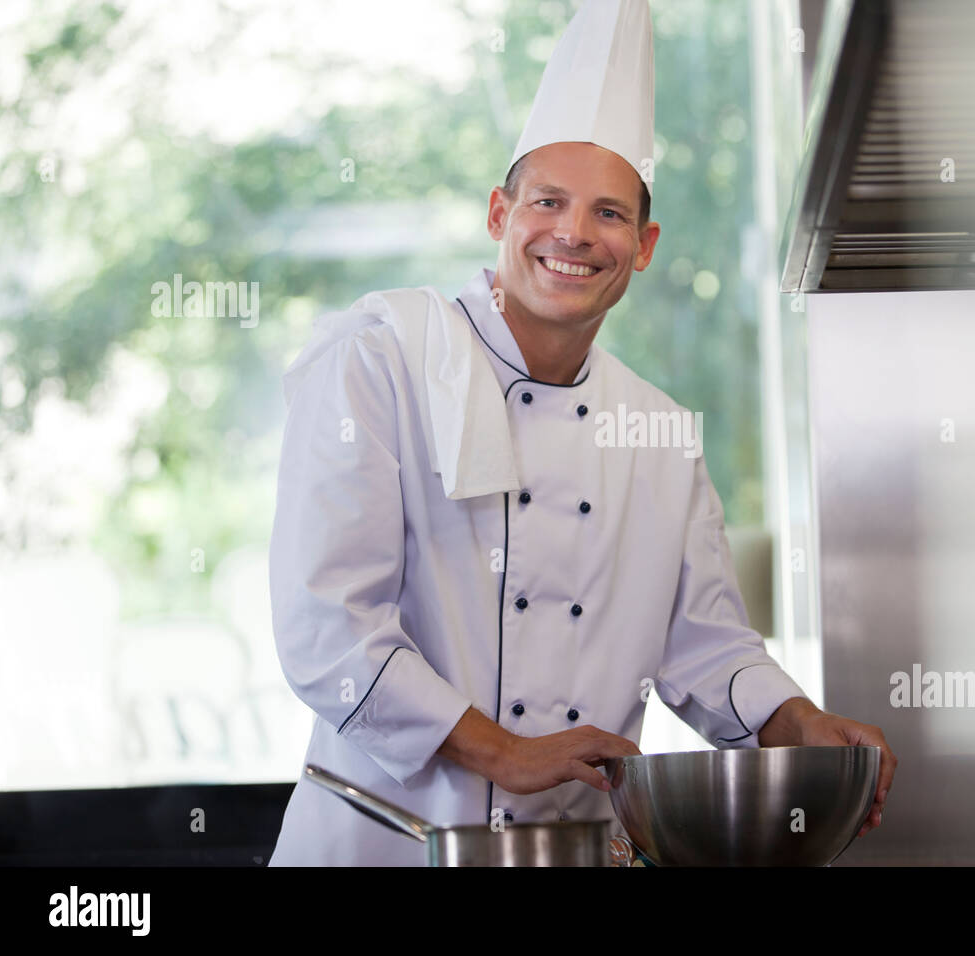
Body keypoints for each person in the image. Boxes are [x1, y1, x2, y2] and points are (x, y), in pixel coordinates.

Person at [266, 0, 895, 866]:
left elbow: (704, 641)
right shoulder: (379, 365)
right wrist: (505, 751)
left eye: (609, 213)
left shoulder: (661, 432)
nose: (573, 233)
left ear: (643, 245)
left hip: (573, 848)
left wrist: (797, 724)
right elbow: (328, 628)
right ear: (498, 214)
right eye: (548, 201)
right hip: (387, 848)